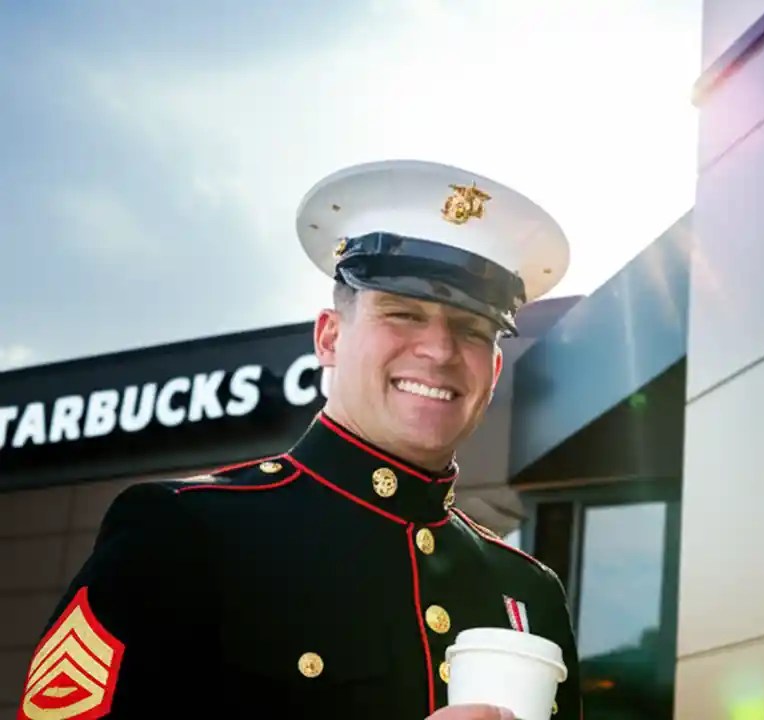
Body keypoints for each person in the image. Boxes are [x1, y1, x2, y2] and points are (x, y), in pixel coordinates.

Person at [17, 160, 581, 720]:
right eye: (403, 313)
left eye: (471, 329)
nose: (439, 349)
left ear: (495, 367)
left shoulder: (530, 593)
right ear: (330, 337)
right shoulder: (184, 533)